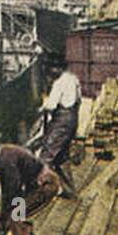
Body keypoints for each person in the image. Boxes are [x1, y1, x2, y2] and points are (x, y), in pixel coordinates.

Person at [38, 60, 82, 198]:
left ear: (58, 69)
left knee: (46, 155)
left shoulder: (59, 83)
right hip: (72, 119)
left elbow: (51, 105)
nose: (52, 72)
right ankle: (69, 191)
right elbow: (79, 100)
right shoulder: (73, 79)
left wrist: (43, 105)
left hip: (61, 121)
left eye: (53, 69)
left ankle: (41, 193)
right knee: (62, 157)